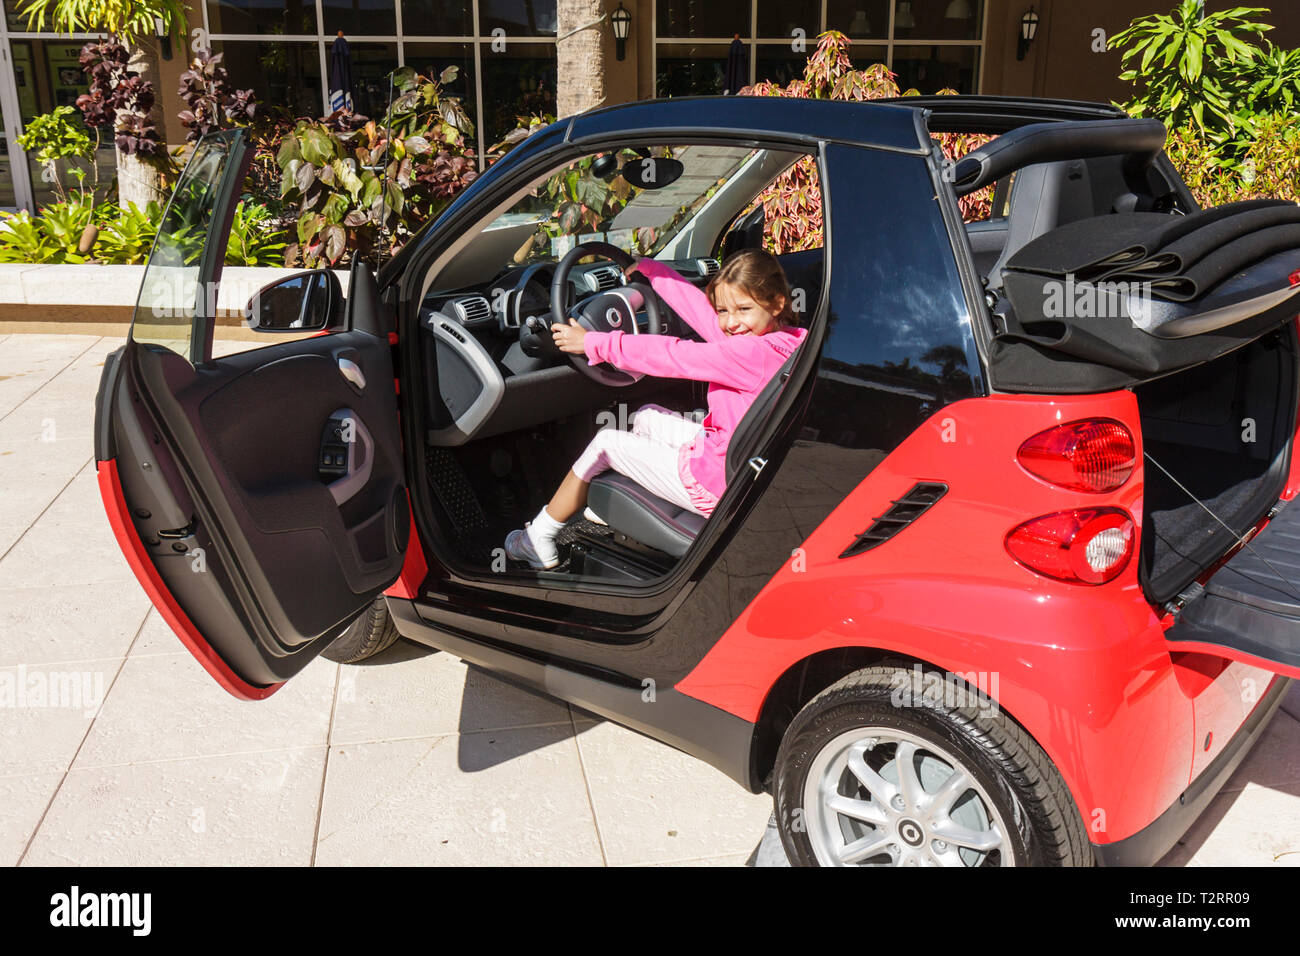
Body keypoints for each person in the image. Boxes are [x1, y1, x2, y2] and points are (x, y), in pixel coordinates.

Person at [504, 248, 807, 569]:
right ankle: (604, 506)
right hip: (737, 459)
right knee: (647, 415)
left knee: (606, 443)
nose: (731, 322)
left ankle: (537, 538)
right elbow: (703, 315)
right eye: (723, 310)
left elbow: (673, 354)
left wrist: (593, 342)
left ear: (777, 303)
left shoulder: (748, 354)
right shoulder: (789, 340)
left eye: (743, 309)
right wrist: (653, 271)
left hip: (716, 483)